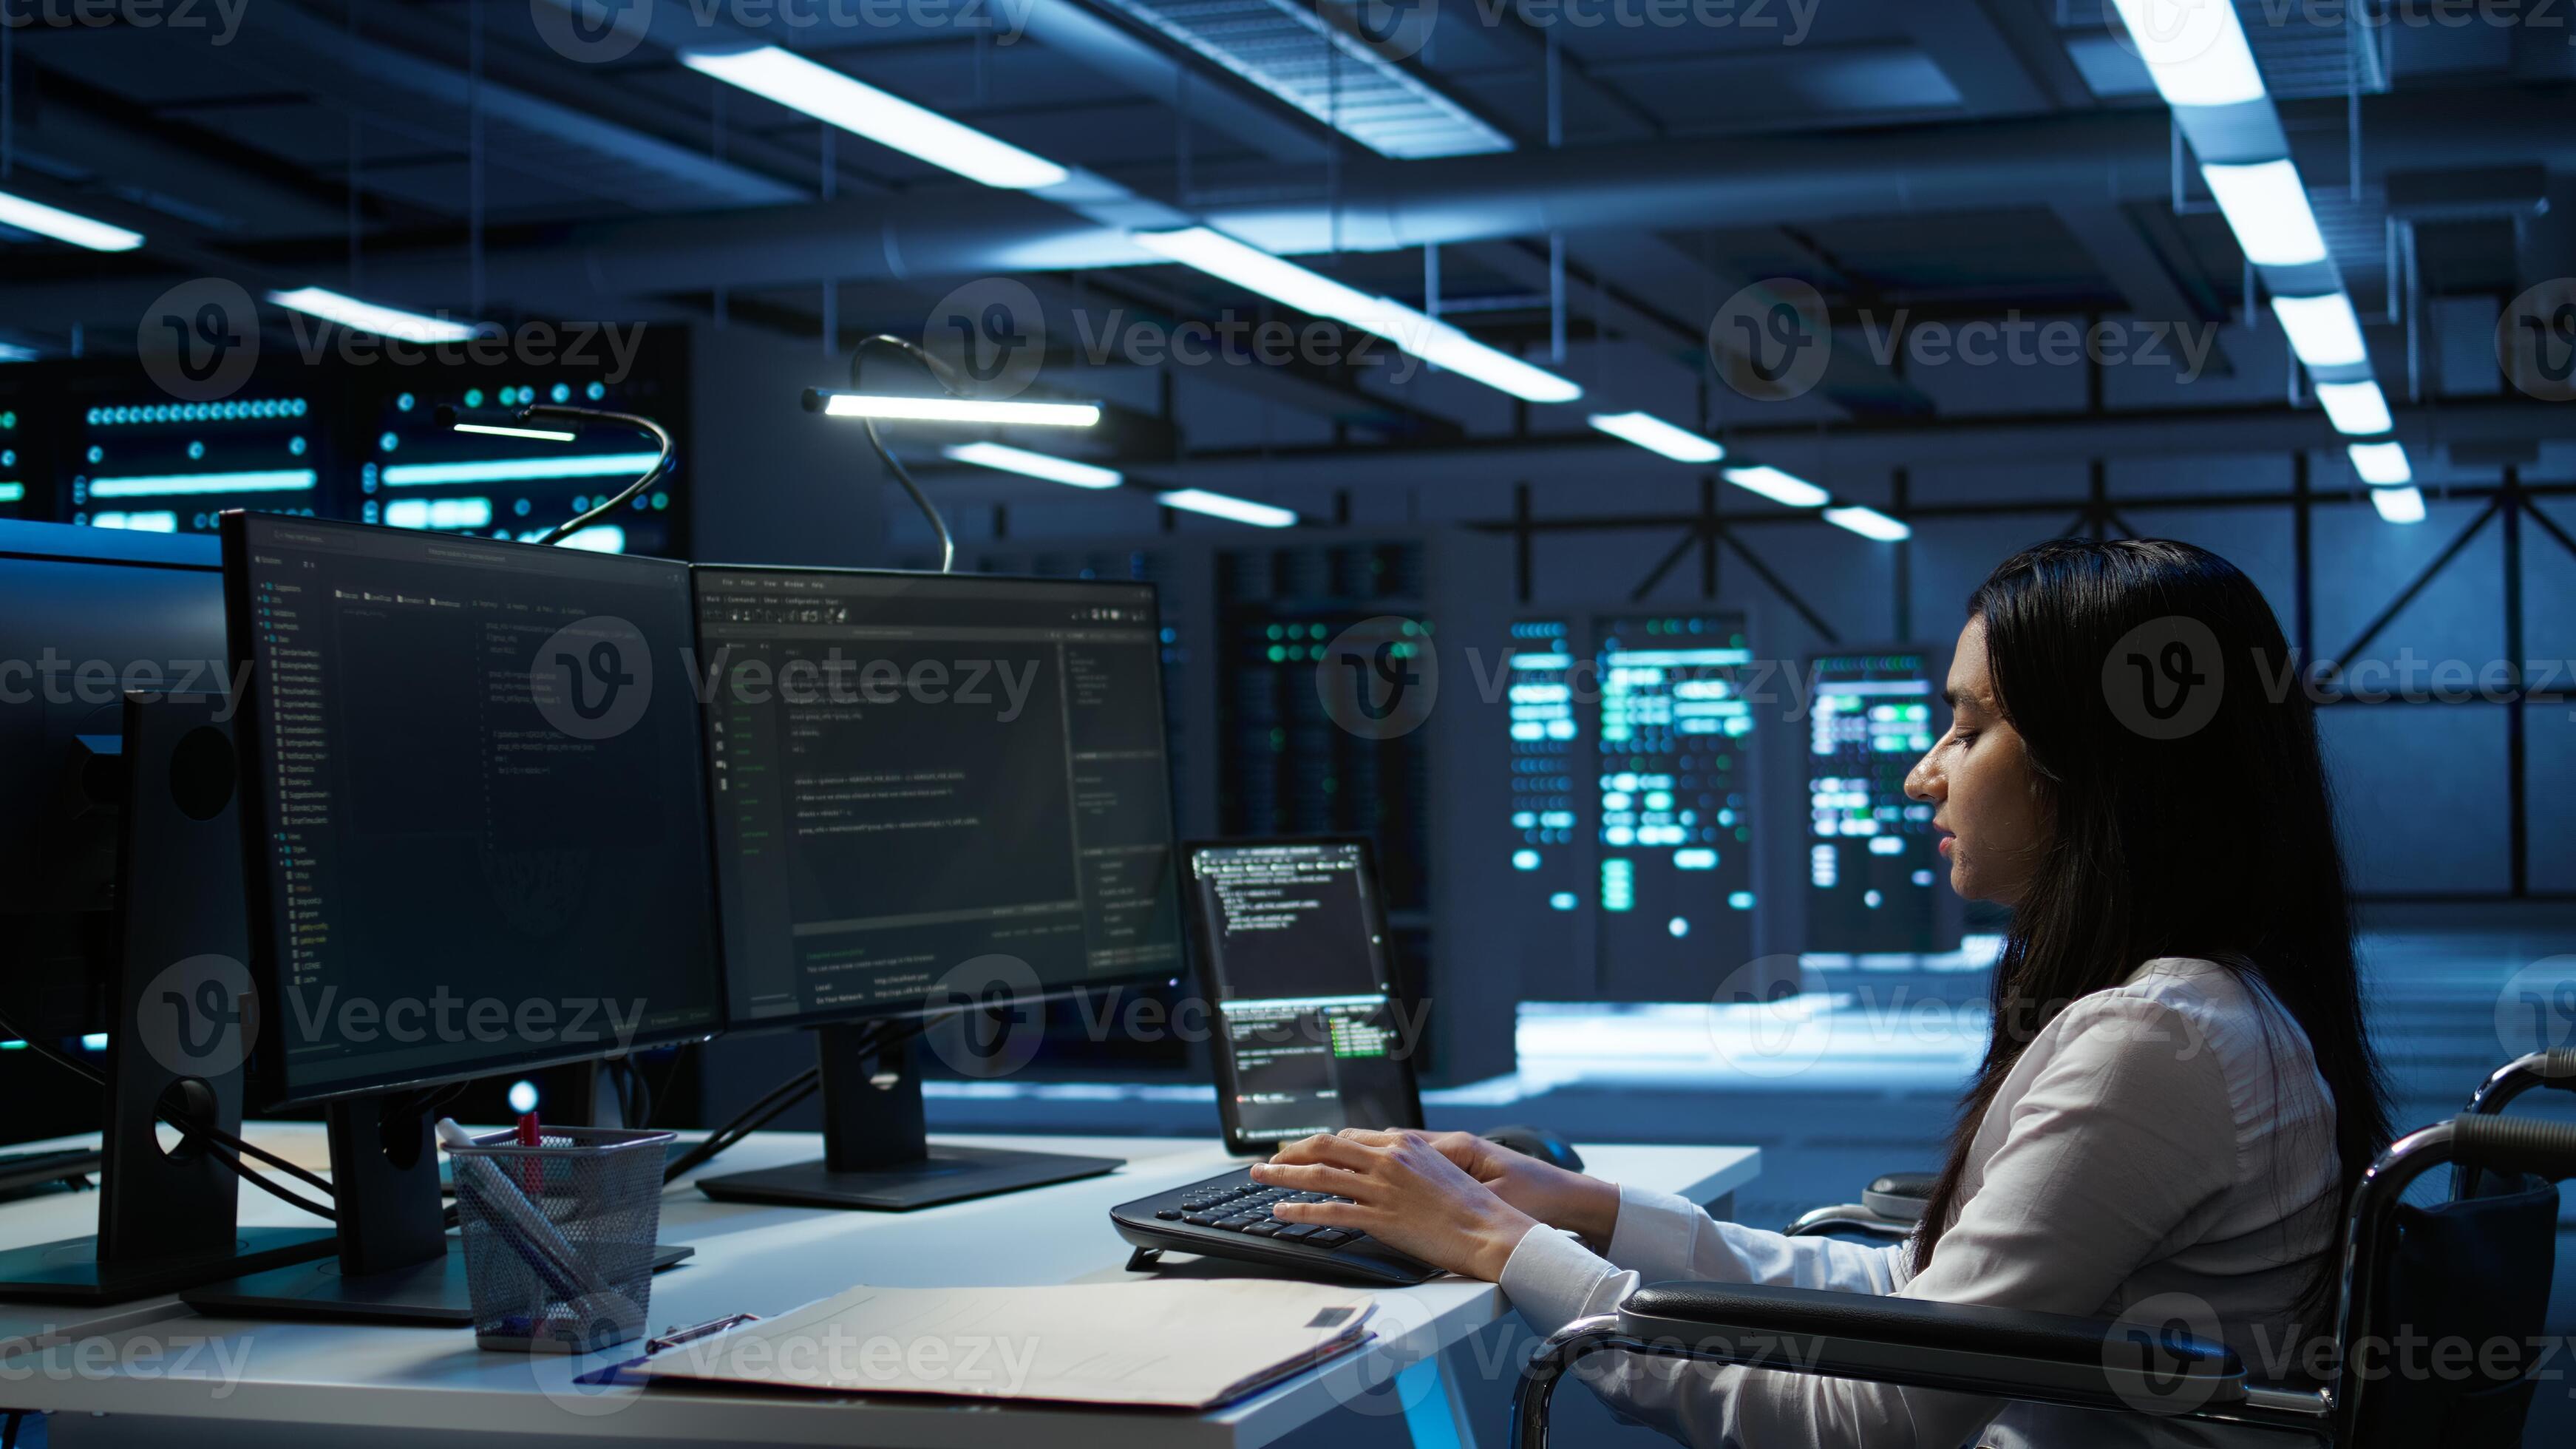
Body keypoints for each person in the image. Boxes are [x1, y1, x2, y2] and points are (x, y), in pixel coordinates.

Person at [1250, 538, 2390, 1447]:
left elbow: (1868, 1419)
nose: (1921, 772)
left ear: (2096, 767)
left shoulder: (2154, 1045)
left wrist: (1500, 1247)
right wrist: (1583, 1207)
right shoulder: (2205, 1009)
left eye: (1969, 728)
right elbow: (1916, 1293)